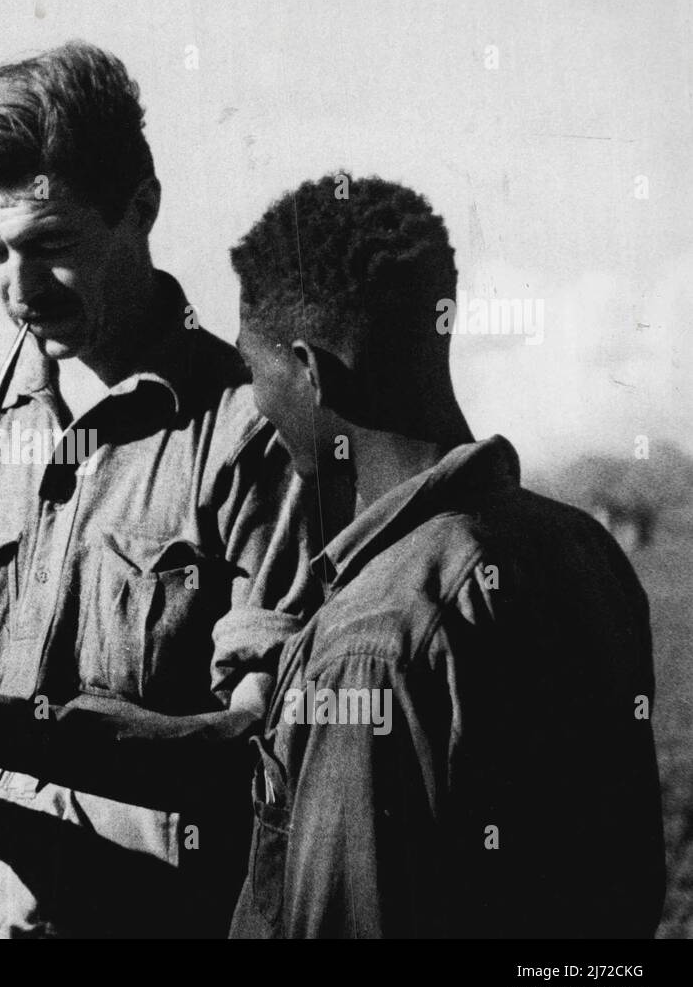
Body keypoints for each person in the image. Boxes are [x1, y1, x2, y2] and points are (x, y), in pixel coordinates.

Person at [0, 42, 322, 938]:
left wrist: (10, 733)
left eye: (50, 246)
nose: (18, 289)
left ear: (141, 208)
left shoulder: (247, 435)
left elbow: (267, 745)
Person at [225, 172, 666, 938]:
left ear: (312, 371)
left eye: (254, 372)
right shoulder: (584, 548)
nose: (256, 409)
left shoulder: (373, 637)